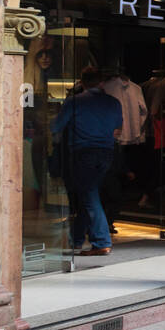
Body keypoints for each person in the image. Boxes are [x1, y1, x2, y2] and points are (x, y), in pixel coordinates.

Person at [52, 66, 123, 255]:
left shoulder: (74, 102)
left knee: (89, 196)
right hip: (107, 152)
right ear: (101, 83)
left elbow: (57, 126)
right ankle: (76, 238)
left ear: (82, 82)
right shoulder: (114, 102)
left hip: (83, 152)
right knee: (88, 194)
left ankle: (101, 241)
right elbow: (117, 128)